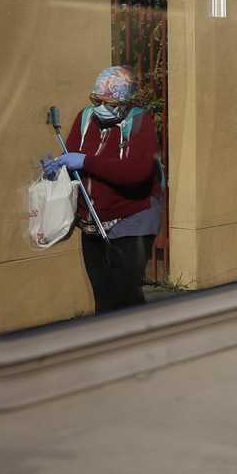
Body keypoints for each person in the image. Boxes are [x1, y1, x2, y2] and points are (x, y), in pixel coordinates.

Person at [40, 65, 162, 313]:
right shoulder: (85, 119)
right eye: (97, 100)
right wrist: (57, 169)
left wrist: (87, 161)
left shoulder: (141, 122)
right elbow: (73, 162)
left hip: (130, 221)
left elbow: (137, 172)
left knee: (124, 297)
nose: (102, 107)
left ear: (126, 102)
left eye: (110, 103)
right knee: (103, 297)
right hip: (91, 224)